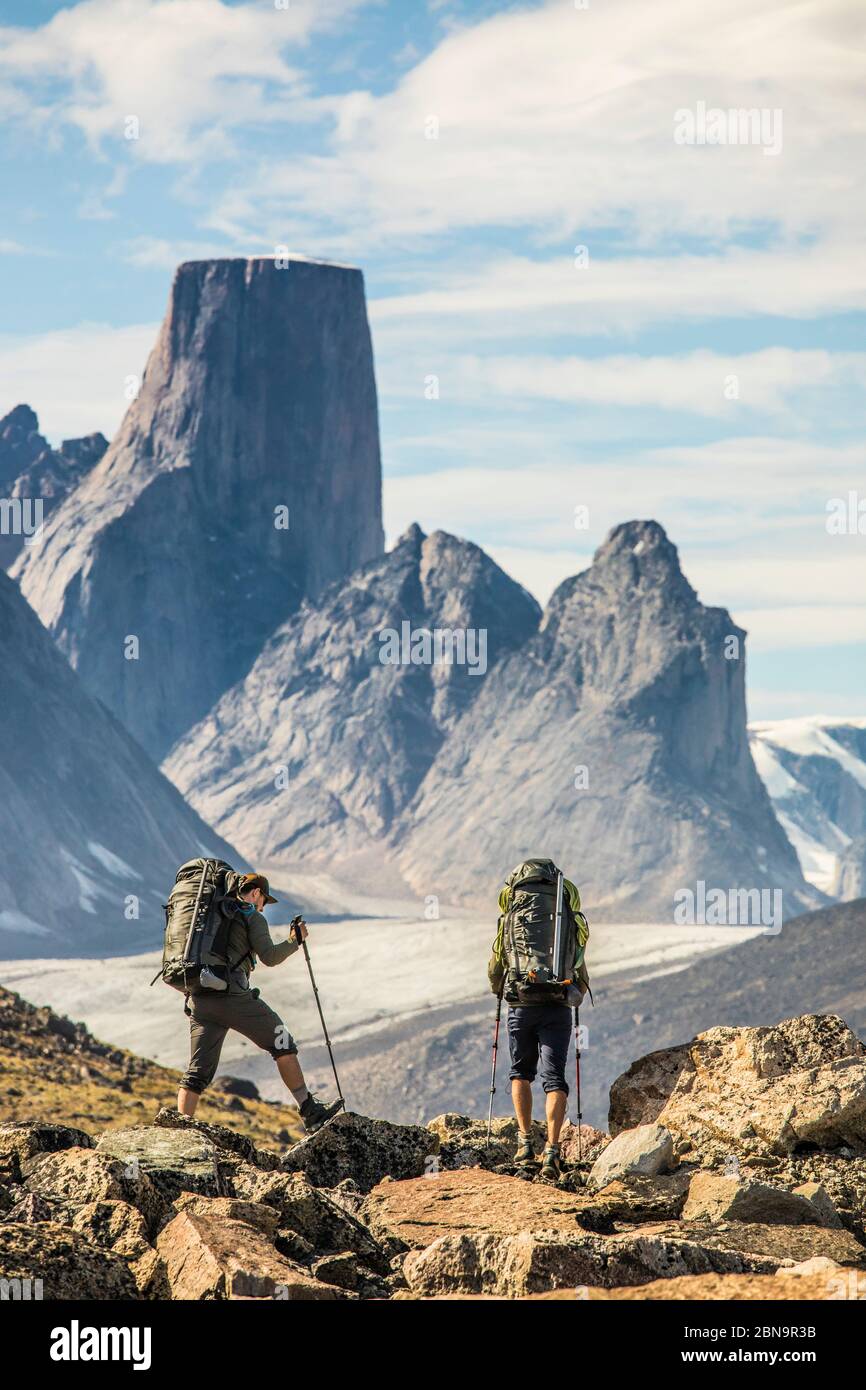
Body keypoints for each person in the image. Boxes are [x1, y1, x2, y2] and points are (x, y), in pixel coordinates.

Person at [176, 872, 342, 1133]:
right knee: (282, 1043)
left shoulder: (210, 916)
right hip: (233, 996)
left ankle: (179, 1130)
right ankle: (310, 1112)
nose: (264, 906)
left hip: (200, 998)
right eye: (264, 899)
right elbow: (270, 957)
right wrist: (294, 940)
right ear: (255, 893)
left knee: (197, 1073)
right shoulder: (251, 916)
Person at [488, 858, 589, 1181]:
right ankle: (553, 1151)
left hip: (521, 1004)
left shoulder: (511, 919)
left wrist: (500, 990)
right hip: (557, 1005)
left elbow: (496, 964)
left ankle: (524, 1144)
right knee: (554, 1078)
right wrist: (574, 991)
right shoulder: (566, 918)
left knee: (520, 1073)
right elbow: (578, 961)